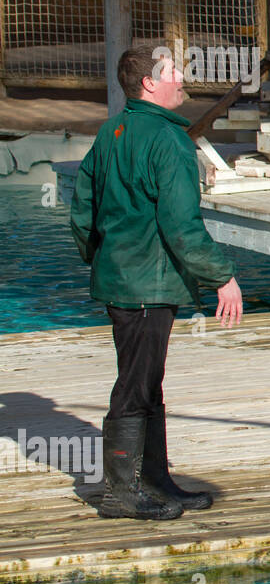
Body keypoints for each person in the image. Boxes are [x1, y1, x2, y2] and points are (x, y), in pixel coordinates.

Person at [71, 44, 244, 520]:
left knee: (148, 381)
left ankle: (155, 480)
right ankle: (121, 493)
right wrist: (222, 277)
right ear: (150, 83)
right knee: (135, 384)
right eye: (174, 73)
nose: (182, 79)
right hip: (148, 285)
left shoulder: (112, 131)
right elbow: (181, 225)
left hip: (124, 279)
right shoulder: (169, 142)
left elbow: (82, 207)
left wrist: (102, 259)